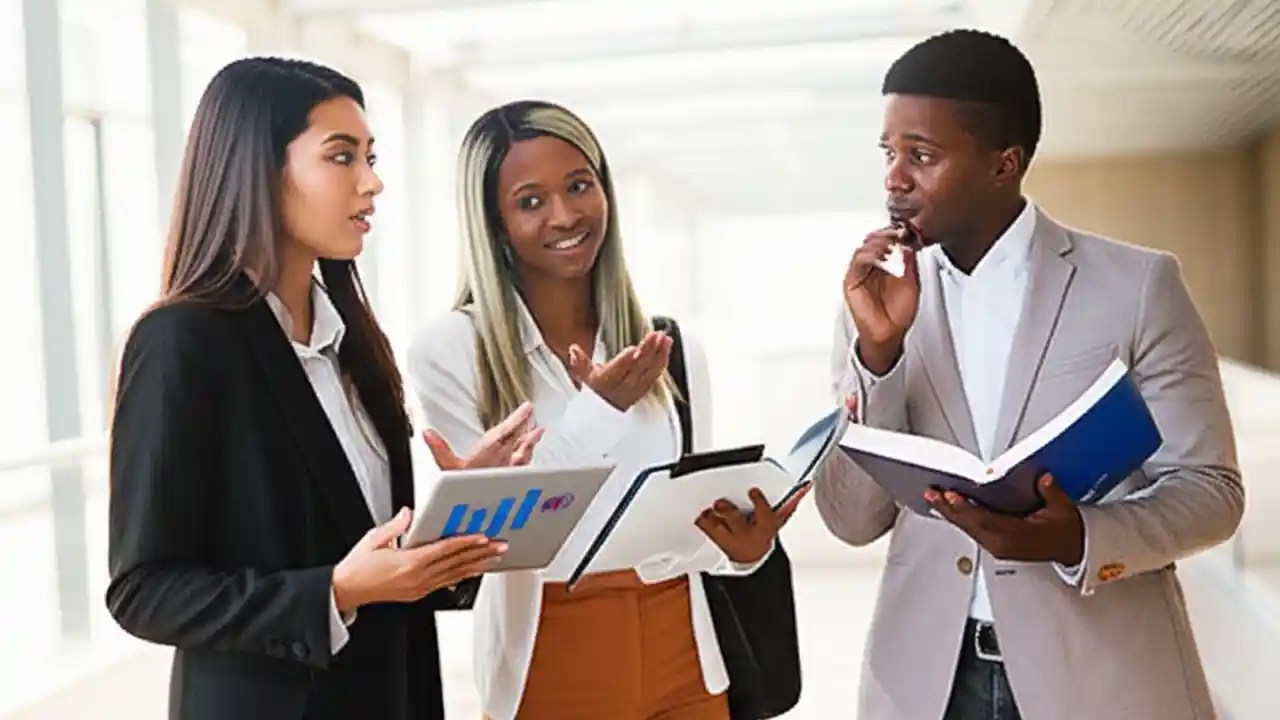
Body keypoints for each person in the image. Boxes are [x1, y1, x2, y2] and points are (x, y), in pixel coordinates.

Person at [814, 29, 1243, 720]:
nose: (895, 178)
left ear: (1003, 164)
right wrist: (879, 357)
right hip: (927, 686)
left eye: (921, 156)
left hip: (1103, 678)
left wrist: (1078, 537)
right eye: (889, 153)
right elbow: (850, 520)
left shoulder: (1136, 286)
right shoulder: (873, 301)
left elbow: (1212, 493)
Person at [105, 57, 542, 720]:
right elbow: (144, 589)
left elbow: (368, 555)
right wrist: (332, 593)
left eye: (370, 156)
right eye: (342, 157)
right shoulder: (184, 341)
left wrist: (457, 512)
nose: (373, 182)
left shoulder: (356, 343)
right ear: (258, 167)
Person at [407, 100, 803, 720]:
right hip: (550, 655)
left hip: (685, 651)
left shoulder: (670, 350)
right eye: (530, 201)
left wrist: (741, 550)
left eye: (579, 186)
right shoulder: (454, 351)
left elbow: (690, 524)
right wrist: (600, 409)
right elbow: (510, 538)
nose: (565, 215)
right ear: (494, 223)